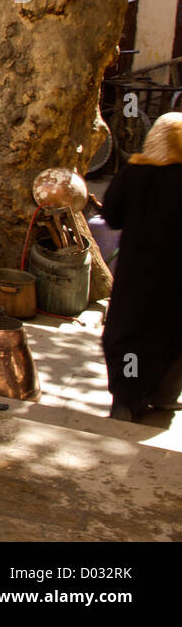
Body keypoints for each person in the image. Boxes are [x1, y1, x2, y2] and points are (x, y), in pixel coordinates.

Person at [100, 112, 182, 423]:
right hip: (176, 280)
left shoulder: (134, 174)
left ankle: (125, 398)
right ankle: (162, 395)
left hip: (135, 277)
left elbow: (112, 217)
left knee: (128, 335)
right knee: (171, 335)